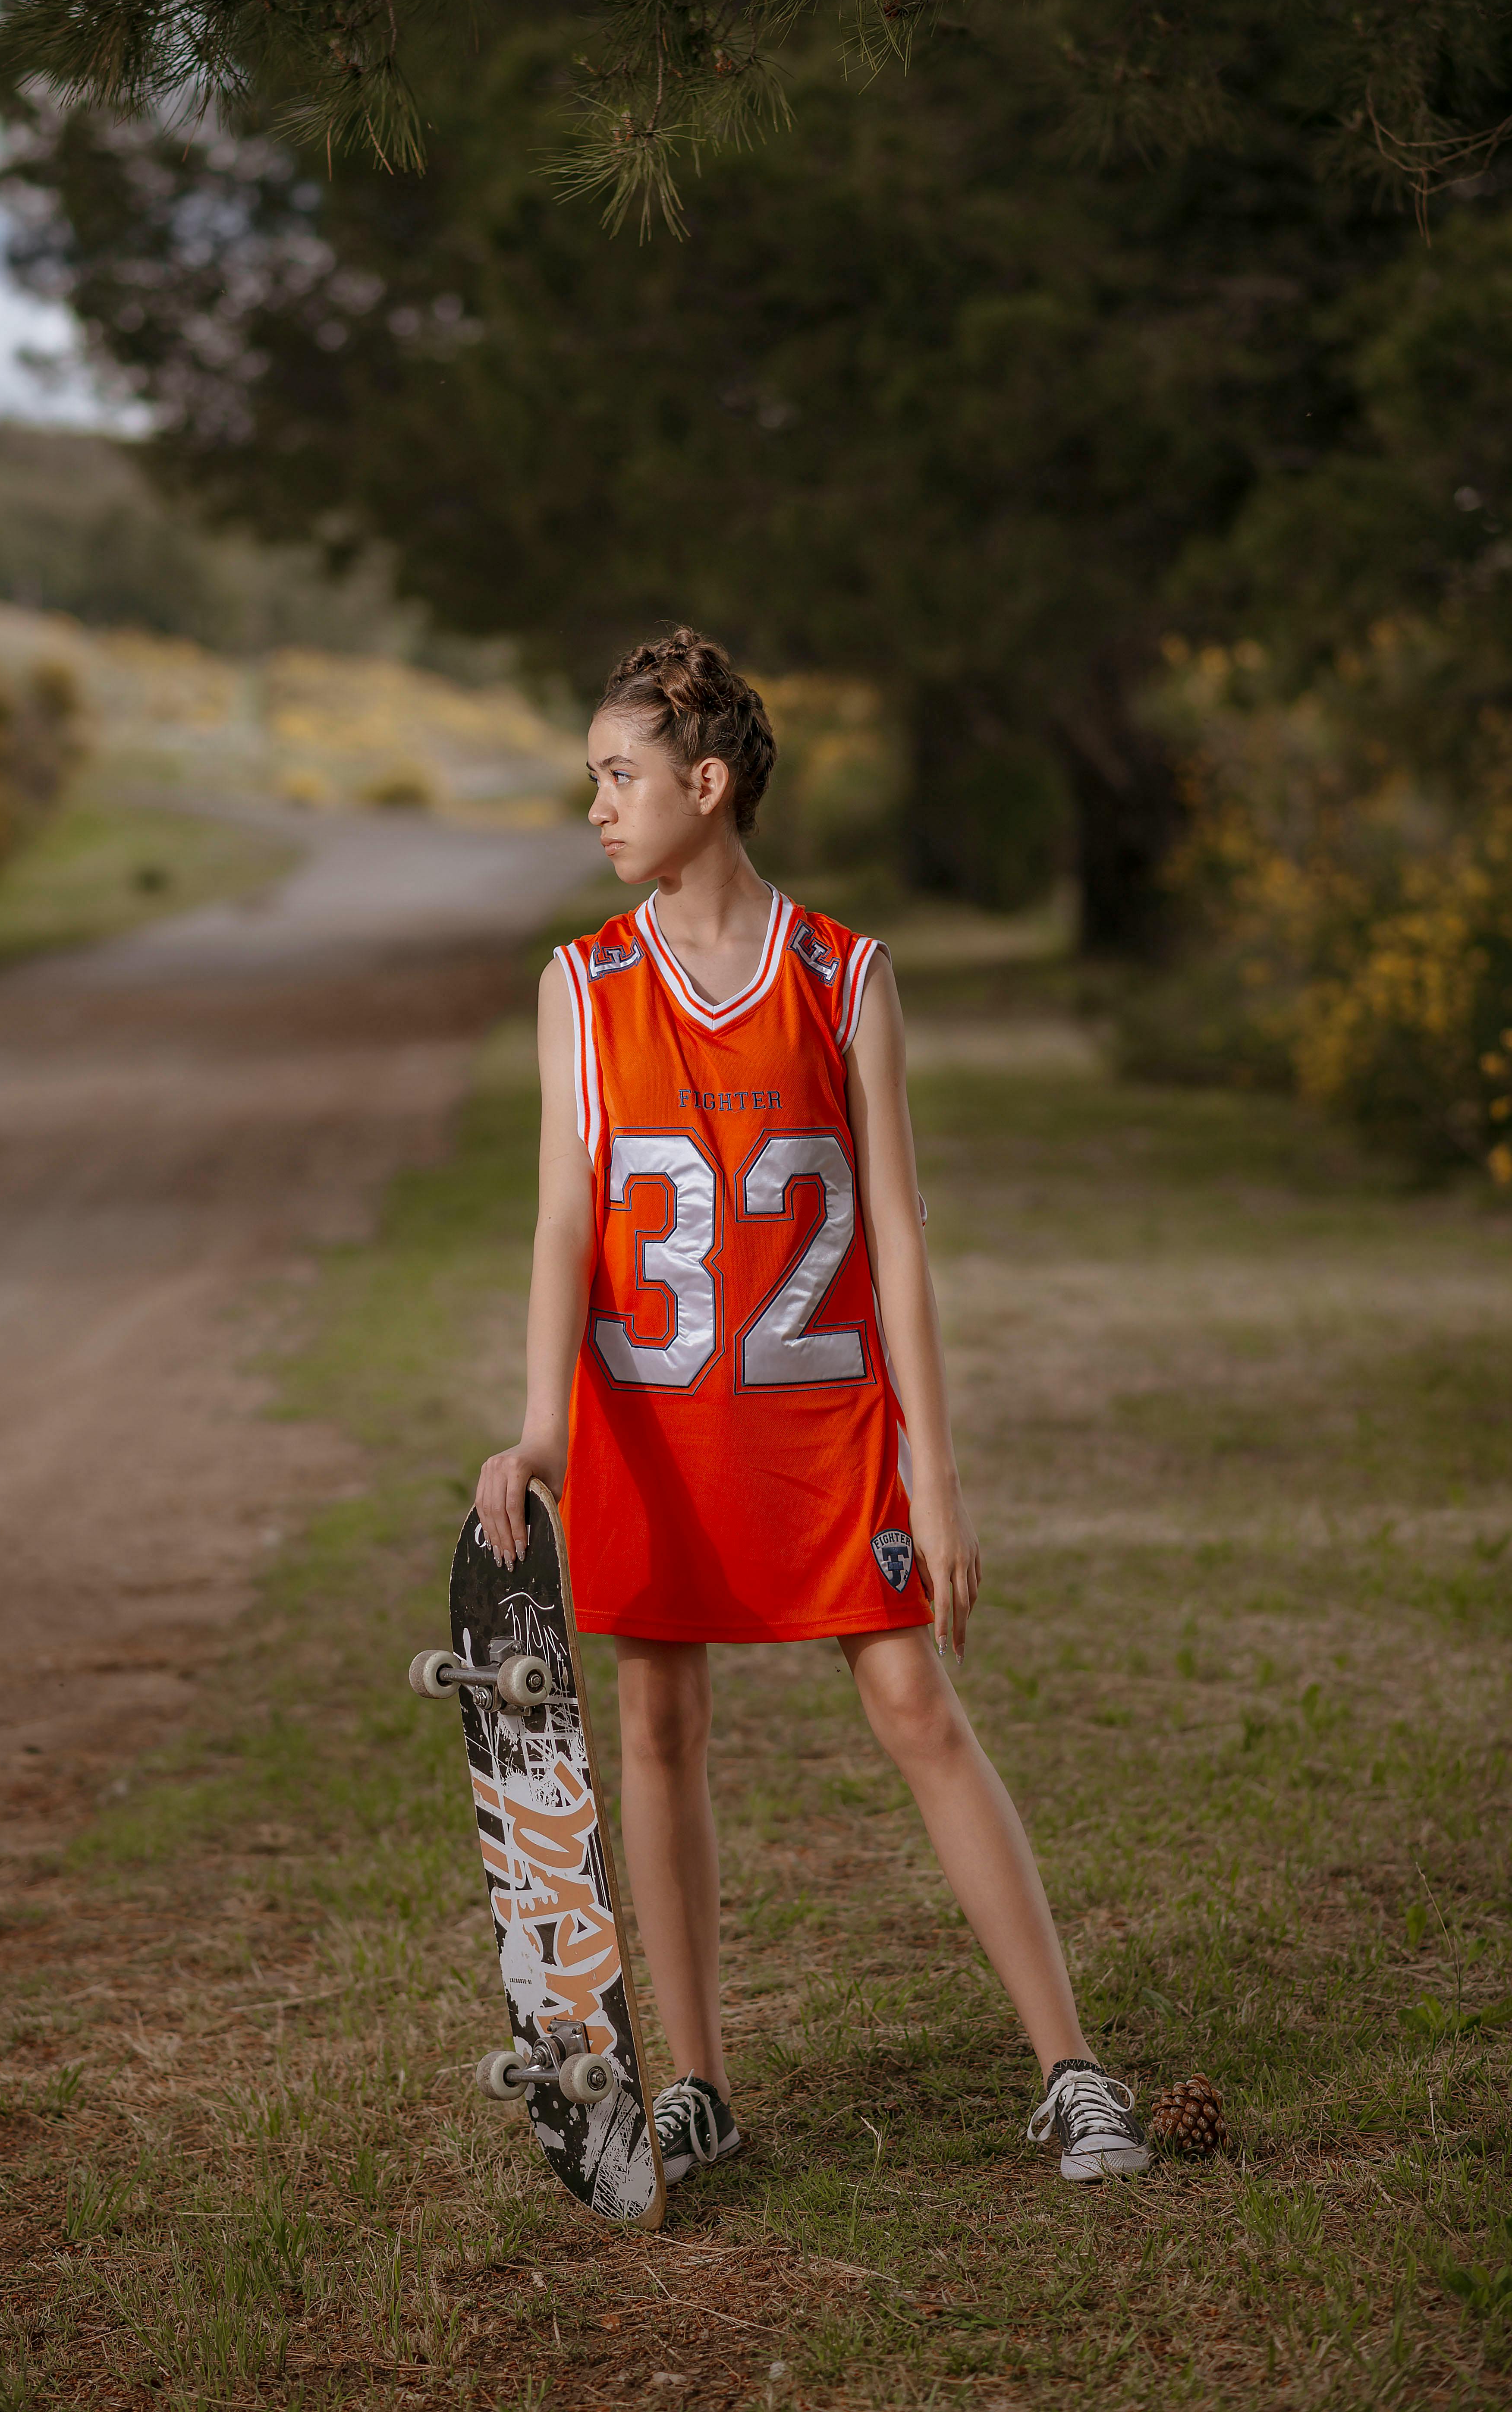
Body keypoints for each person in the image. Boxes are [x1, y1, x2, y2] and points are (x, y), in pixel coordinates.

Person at [474, 628, 1147, 2190]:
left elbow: (899, 1233)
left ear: (707, 787)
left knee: (915, 1705)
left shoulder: (847, 975)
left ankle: (1072, 2066)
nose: (598, 807)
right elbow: (567, 1223)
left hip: (820, 1424)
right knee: (659, 1719)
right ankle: (696, 2084)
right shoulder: (583, 988)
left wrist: (936, 1467)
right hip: (656, 1418)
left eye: (620, 776)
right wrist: (543, 1428)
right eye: (594, 780)